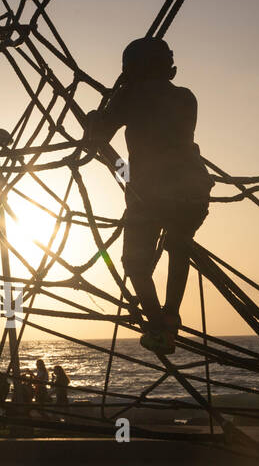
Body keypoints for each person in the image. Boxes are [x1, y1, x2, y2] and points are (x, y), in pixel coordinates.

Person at [82, 37, 212, 356]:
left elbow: (97, 138)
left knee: (135, 264)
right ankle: (171, 313)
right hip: (193, 189)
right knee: (179, 246)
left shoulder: (131, 96)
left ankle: (156, 324)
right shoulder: (186, 97)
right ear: (167, 66)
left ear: (131, 70)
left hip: (149, 193)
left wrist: (95, 116)